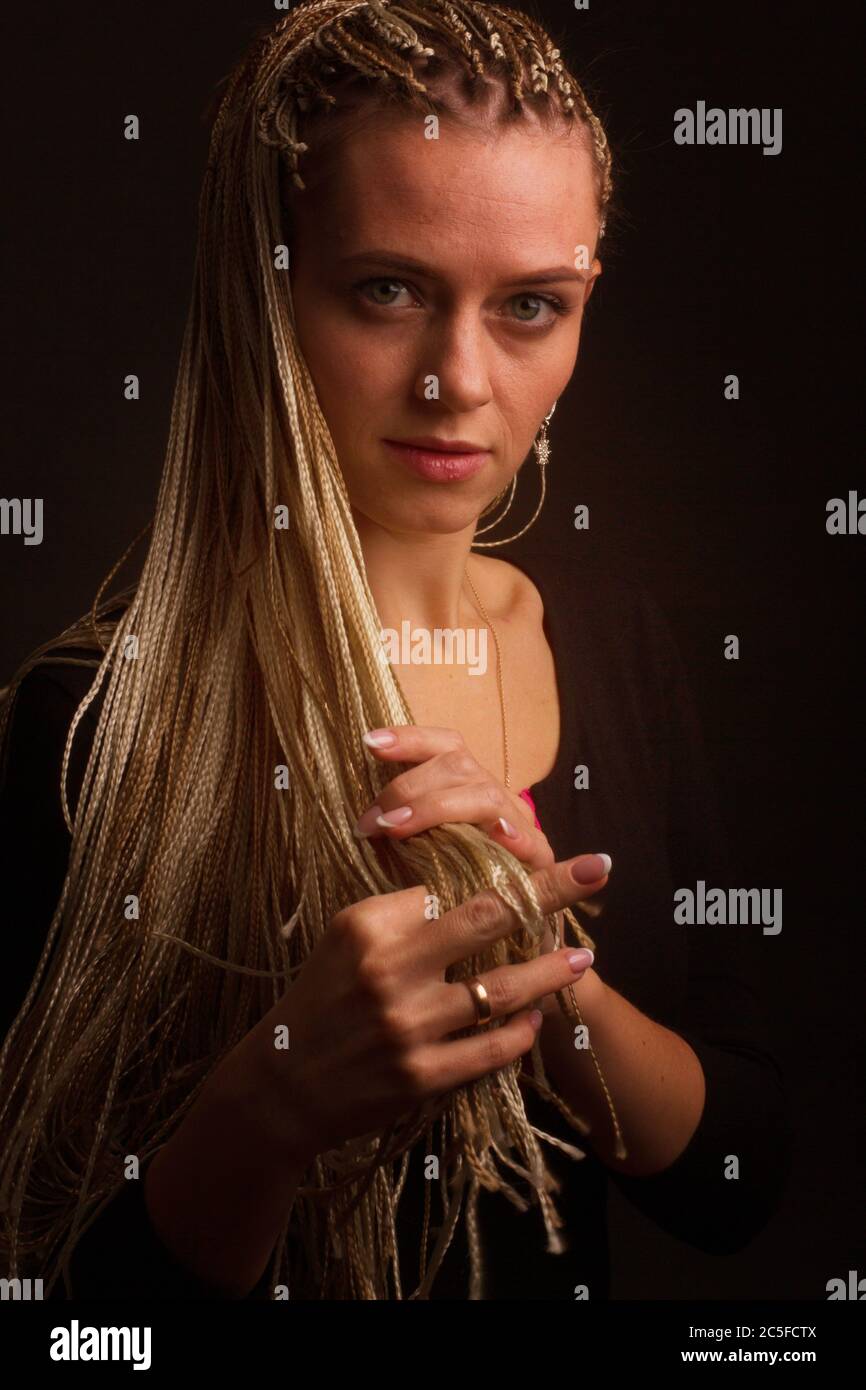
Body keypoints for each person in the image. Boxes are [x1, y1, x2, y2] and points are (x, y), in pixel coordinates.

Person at [0, 0, 792, 1301]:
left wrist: (536, 966)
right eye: (386, 289)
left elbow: (733, 1188)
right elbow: (70, 1327)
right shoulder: (91, 726)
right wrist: (266, 1104)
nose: (458, 379)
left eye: (531, 306)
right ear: (260, 292)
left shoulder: (613, 644)